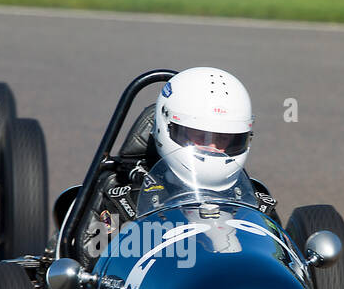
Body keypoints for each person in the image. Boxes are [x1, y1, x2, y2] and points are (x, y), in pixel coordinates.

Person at [76, 66, 278, 262]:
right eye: (199, 136)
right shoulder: (125, 202)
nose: (212, 147)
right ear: (166, 127)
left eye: (224, 139)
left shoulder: (259, 205)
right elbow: (91, 274)